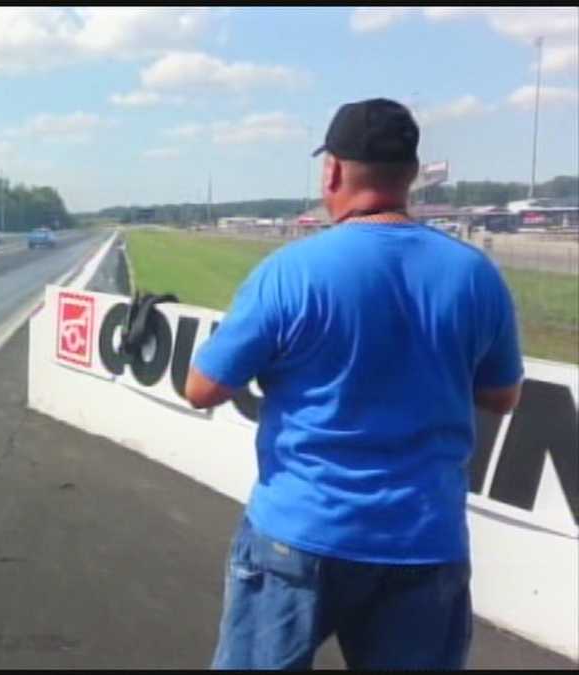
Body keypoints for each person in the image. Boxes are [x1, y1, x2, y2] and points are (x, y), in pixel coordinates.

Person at [185, 98, 523, 670]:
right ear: (412, 175)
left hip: (300, 532)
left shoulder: (291, 271)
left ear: (333, 171)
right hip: (423, 540)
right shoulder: (474, 274)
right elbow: (502, 395)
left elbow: (203, 387)